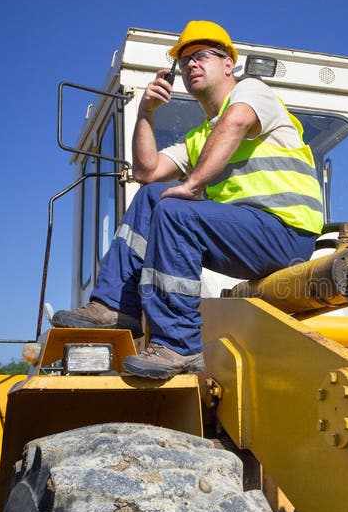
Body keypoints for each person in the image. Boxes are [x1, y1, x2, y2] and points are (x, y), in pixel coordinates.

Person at [52, 20, 324, 378]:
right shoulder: (201, 138)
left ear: (228, 63)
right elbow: (147, 171)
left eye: (201, 56)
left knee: (175, 212)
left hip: (285, 232)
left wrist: (193, 183)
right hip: (246, 235)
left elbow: (236, 121)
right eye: (184, 61)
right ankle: (117, 305)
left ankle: (178, 344)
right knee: (152, 196)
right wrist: (146, 113)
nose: (191, 64)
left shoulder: (252, 92)